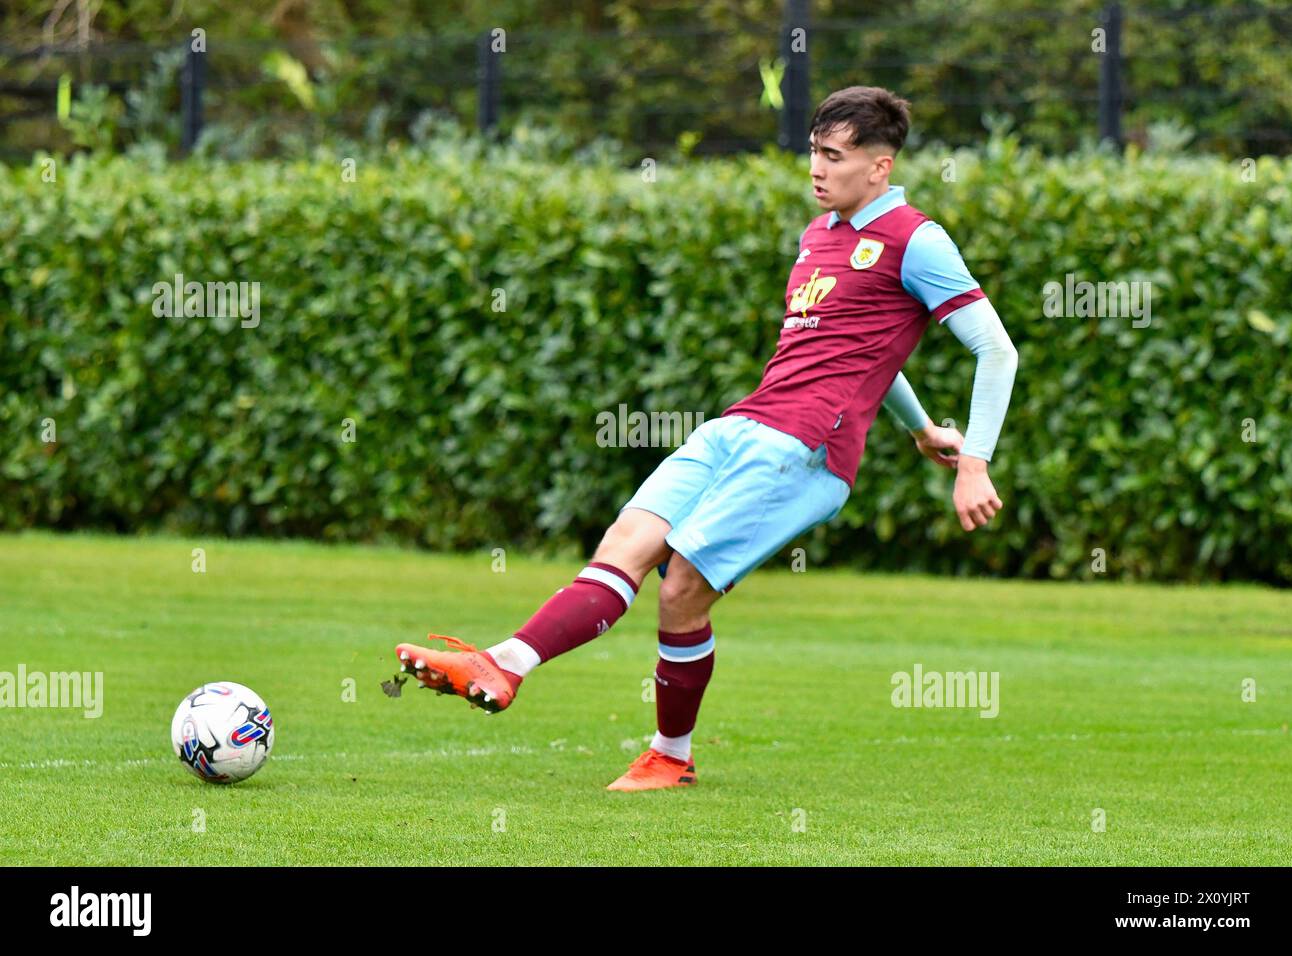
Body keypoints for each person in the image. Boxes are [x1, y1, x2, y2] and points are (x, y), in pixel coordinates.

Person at [394, 85, 1018, 792]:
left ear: (880, 167)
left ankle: (670, 753)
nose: (816, 168)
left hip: (803, 450)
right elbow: (865, 351)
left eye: (834, 156)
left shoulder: (917, 238)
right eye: (813, 151)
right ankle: (503, 663)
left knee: (681, 590)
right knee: (621, 549)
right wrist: (923, 427)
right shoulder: (820, 236)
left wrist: (974, 462)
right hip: (740, 423)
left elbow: (996, 352)